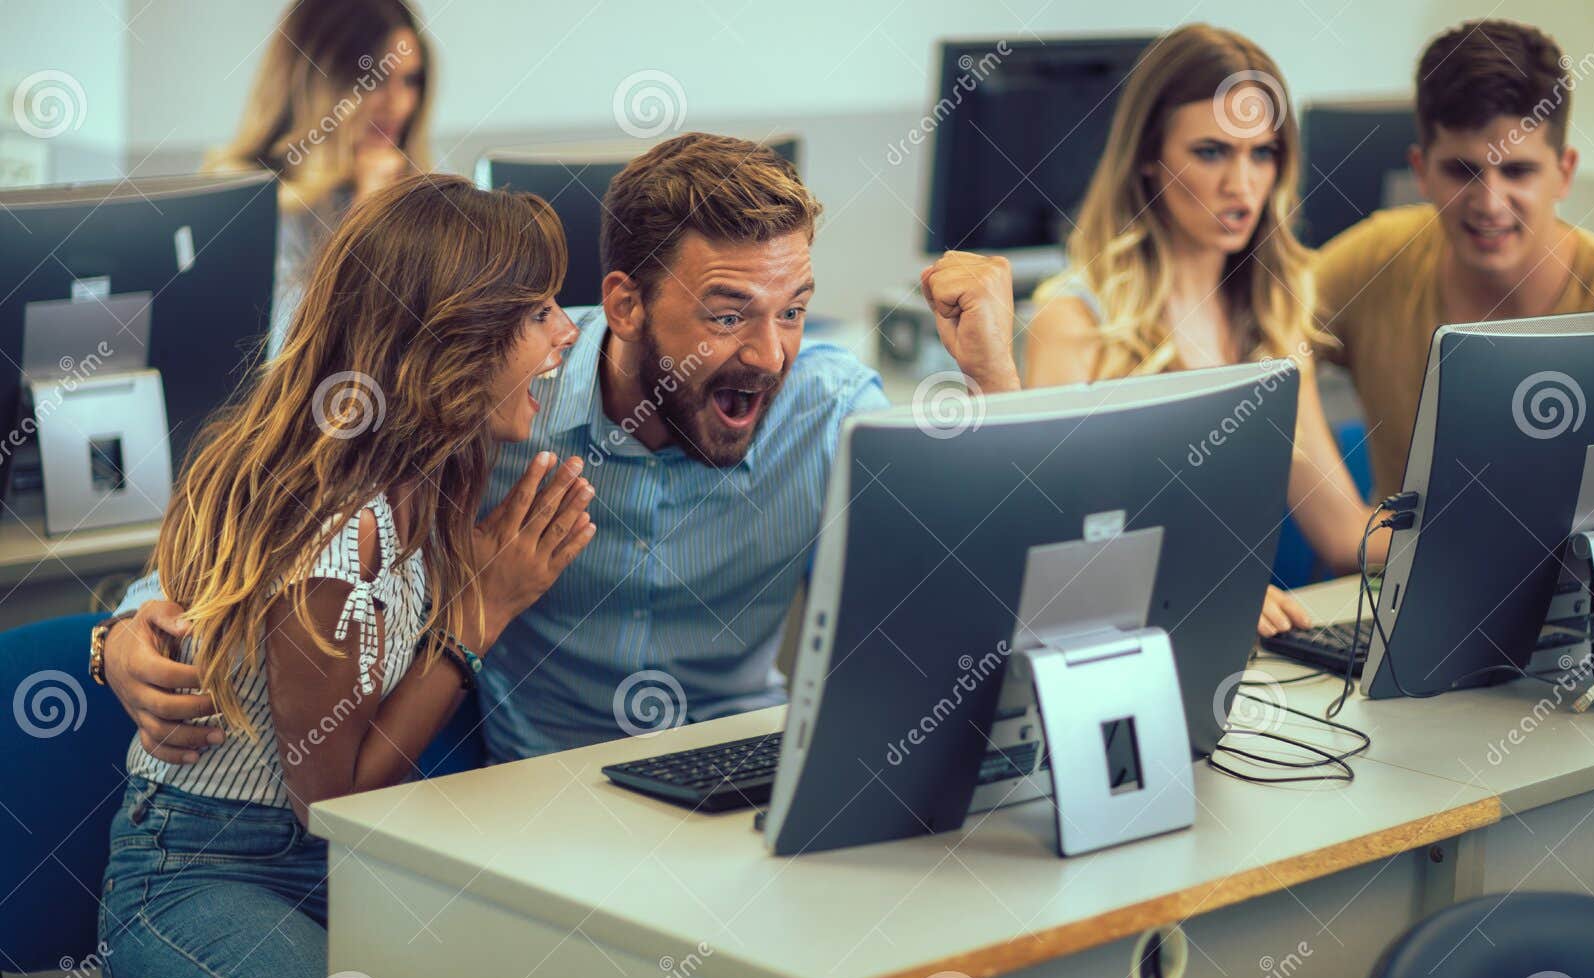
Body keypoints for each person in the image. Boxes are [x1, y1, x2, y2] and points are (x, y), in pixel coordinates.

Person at [100, 132, 1021, 771]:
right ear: (622, 305)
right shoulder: (500, 397)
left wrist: (995, 377)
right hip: (541, 803)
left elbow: (994, 585)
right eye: (728, 314)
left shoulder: (824, 413)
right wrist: (124, 634)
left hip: (743, 787)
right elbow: (279, 500)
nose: (771, 353)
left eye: (792, 310)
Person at [96, 175, 590, 978]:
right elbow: (334, 805)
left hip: (351, 873)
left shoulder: (432, 469)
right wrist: (478, 615)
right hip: (203, 876)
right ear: (454, 343)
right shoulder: (333, 542)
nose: (568, 333)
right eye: (540, 313)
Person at [1023, 24, 1373, 636]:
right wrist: (1199, 587)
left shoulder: (1272, 323)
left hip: (1238, 660)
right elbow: (1051, 551)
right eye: (1211, 152)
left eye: (1261, 153)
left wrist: (1482, 545)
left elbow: (1344, 533)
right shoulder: (1076, 322)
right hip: (1110, 655)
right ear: (1148, 162)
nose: (1241, 186)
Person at [1316, 18, 1594, 502]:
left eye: (1517, 170)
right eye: (1463, 170)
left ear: (1564, 172)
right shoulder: (1379, 256)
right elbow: (1259, 337)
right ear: (1421, 171)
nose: (1490, 203)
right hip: (1399, 574)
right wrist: (1345, 527)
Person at [207, 0, 431, 348]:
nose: (399, 104)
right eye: (375, 81)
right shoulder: (251, 201)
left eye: (410, 80)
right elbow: (288, 355)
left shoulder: (416, 186)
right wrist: (367, 217)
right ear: (319, 82)